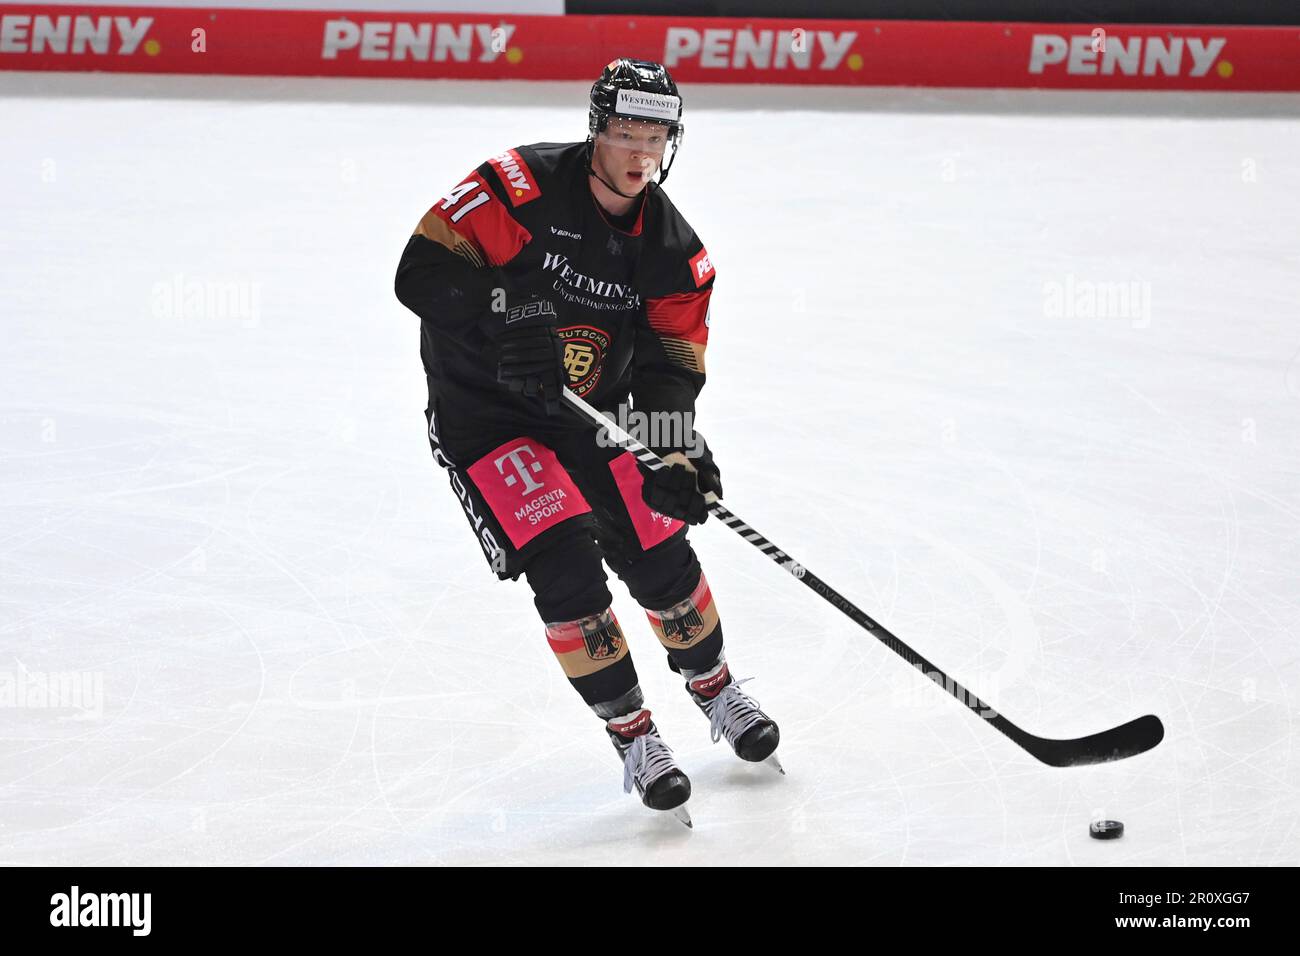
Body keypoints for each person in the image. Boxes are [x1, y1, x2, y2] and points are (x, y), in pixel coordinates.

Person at [394, 58, 780, 825]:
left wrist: (675, 446)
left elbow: (671, 366)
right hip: (487, 420)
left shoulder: (672, 250)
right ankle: (634, 735)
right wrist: (504, 312)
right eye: (627, 133)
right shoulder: (518, 189)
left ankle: (716, 688)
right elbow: (421, 272)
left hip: (595, 412)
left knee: (660, 553)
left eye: (655, 137)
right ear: (597, 130)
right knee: (566, 568)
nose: (641, 153)